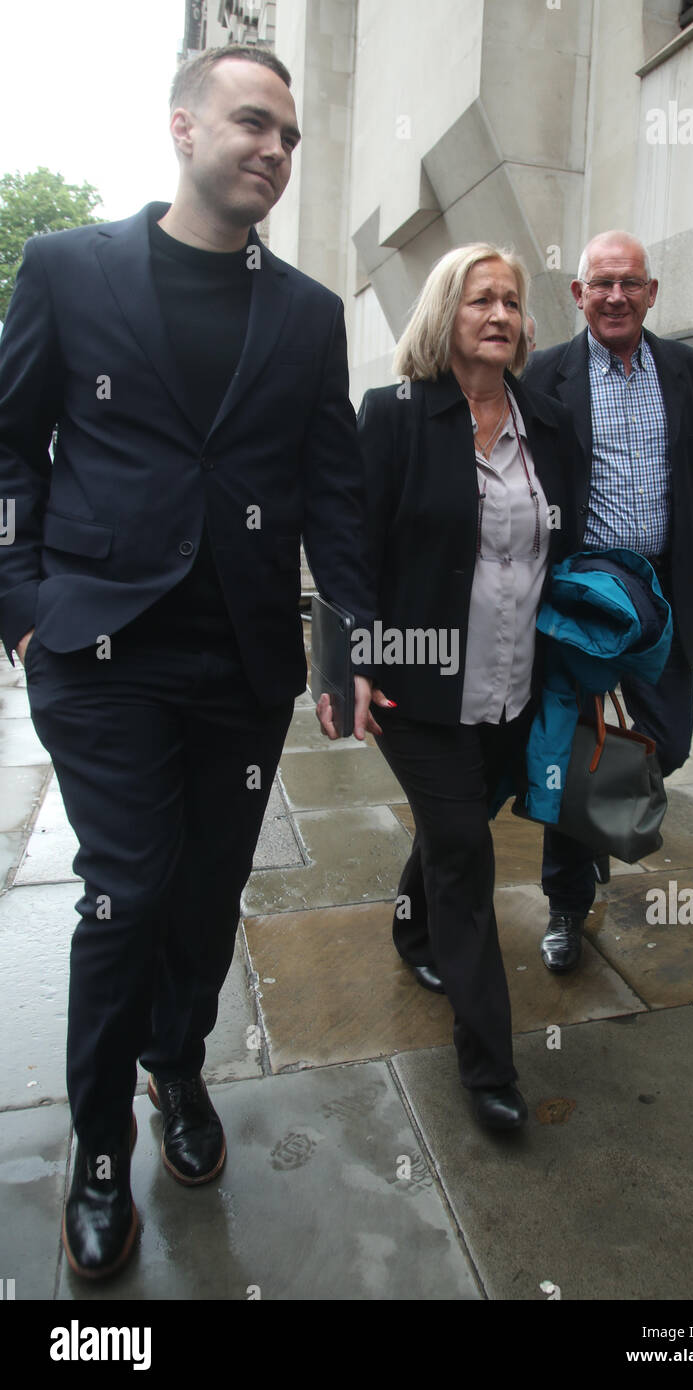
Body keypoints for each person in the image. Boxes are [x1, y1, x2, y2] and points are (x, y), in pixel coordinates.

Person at [0, 44, 375, 1279]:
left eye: (290, 137)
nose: (273, 148)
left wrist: (345, 647)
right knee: (130, 883)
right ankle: (99, 1150)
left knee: (208, 889)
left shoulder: (311, 313)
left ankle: (175, 1058)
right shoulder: (66, 268)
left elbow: (331, 490)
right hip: (99, 649)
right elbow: (10, 449)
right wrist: (18, 604)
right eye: (252, 124)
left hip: (244, 658)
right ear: (182, 128)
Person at [319, 244, 579, 1130]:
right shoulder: (393, 416)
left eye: (511, 300)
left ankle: (408, 923)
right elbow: (347, 549)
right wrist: (340, 661)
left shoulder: (542, 418)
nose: (500, 314)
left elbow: (564, 545)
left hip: (511, 682)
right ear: (445, 313)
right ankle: (488, 1069)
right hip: (414, 683)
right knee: (466, 851)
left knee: (460, 819)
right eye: (480, 300)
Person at [523, 230, 693, 972]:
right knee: (579, 749)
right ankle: (564, 904)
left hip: (660, 593)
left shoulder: (688, 372)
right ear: (576, 293)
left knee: (667, 741)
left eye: (630, 283)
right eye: (600, 283)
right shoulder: (544, 373)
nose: (615, 296)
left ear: (651, 293)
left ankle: (596, 825)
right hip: (580, 594)